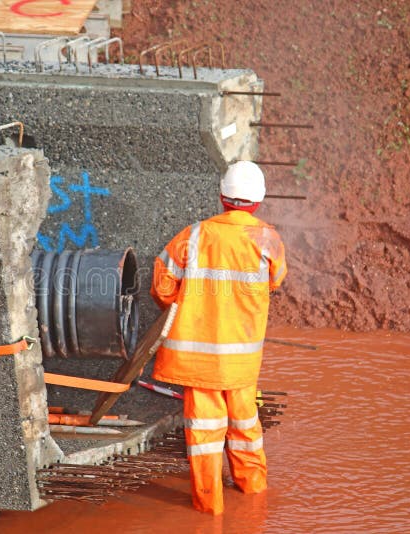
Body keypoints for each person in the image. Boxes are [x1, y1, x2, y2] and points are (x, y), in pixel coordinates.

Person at [150, 161, 287, 515]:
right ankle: (255, 494)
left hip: (198, 362)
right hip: (241, 362)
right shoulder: (268, 239)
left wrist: (187, 299)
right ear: (257, 202)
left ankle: (210, 509)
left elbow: (162, 286)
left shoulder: (193, 236)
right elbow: (275, 281)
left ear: (222, 196)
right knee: (246, 426)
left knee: (205, 437)